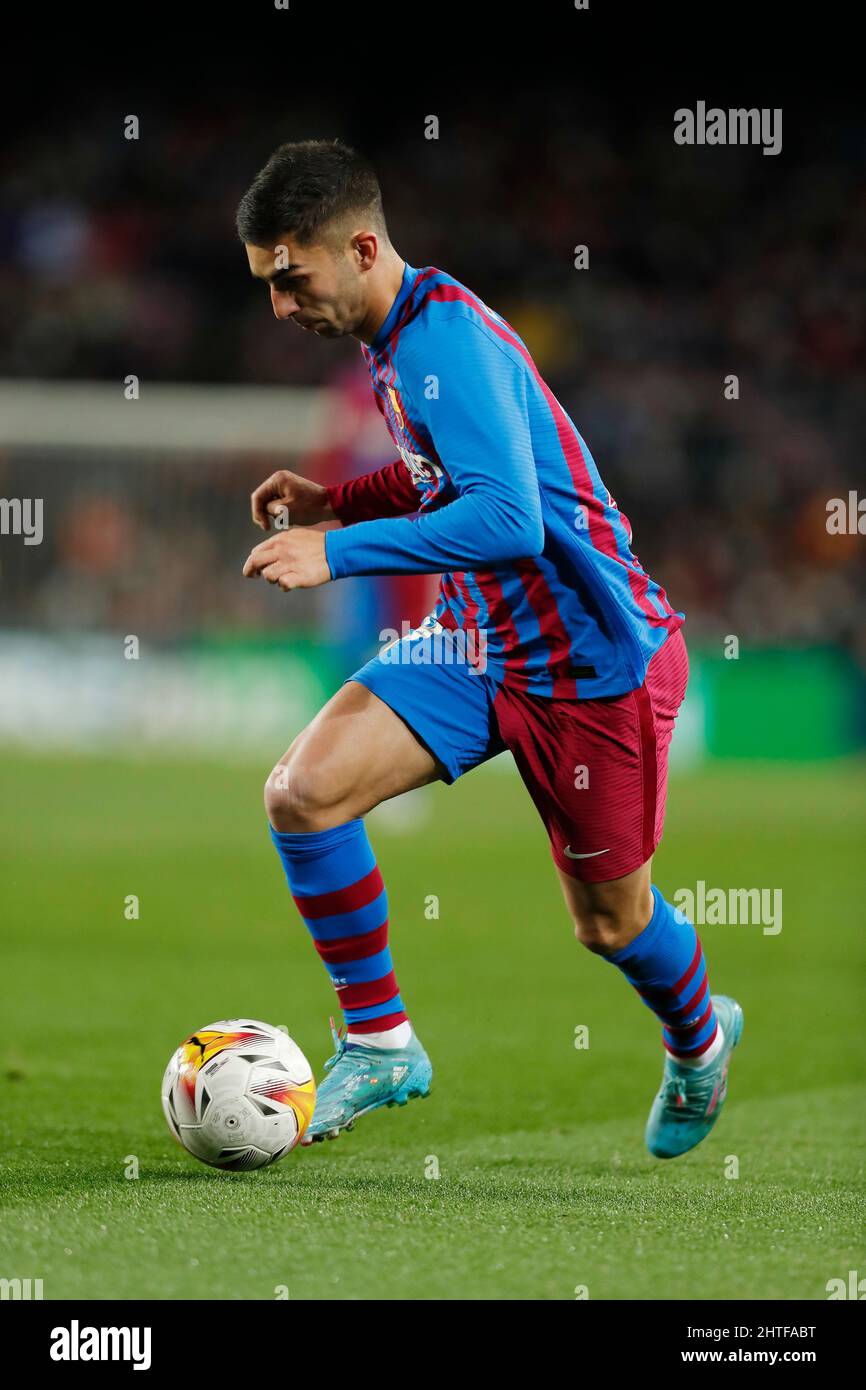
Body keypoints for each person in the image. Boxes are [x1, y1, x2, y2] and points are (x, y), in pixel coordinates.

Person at [237, 139, 743, 1158]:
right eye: (266, 288)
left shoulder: (441, 344)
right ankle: (379, 1041)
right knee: (301, 793)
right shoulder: (399, 333)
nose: (282, 310)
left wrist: (338, 547)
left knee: (608, 924)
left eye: (291, 281)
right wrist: (341, 495)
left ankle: (697, 1038)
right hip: (474, 641)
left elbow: (509, 519)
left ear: (362, 247)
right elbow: (441, 474)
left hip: (594, 667)